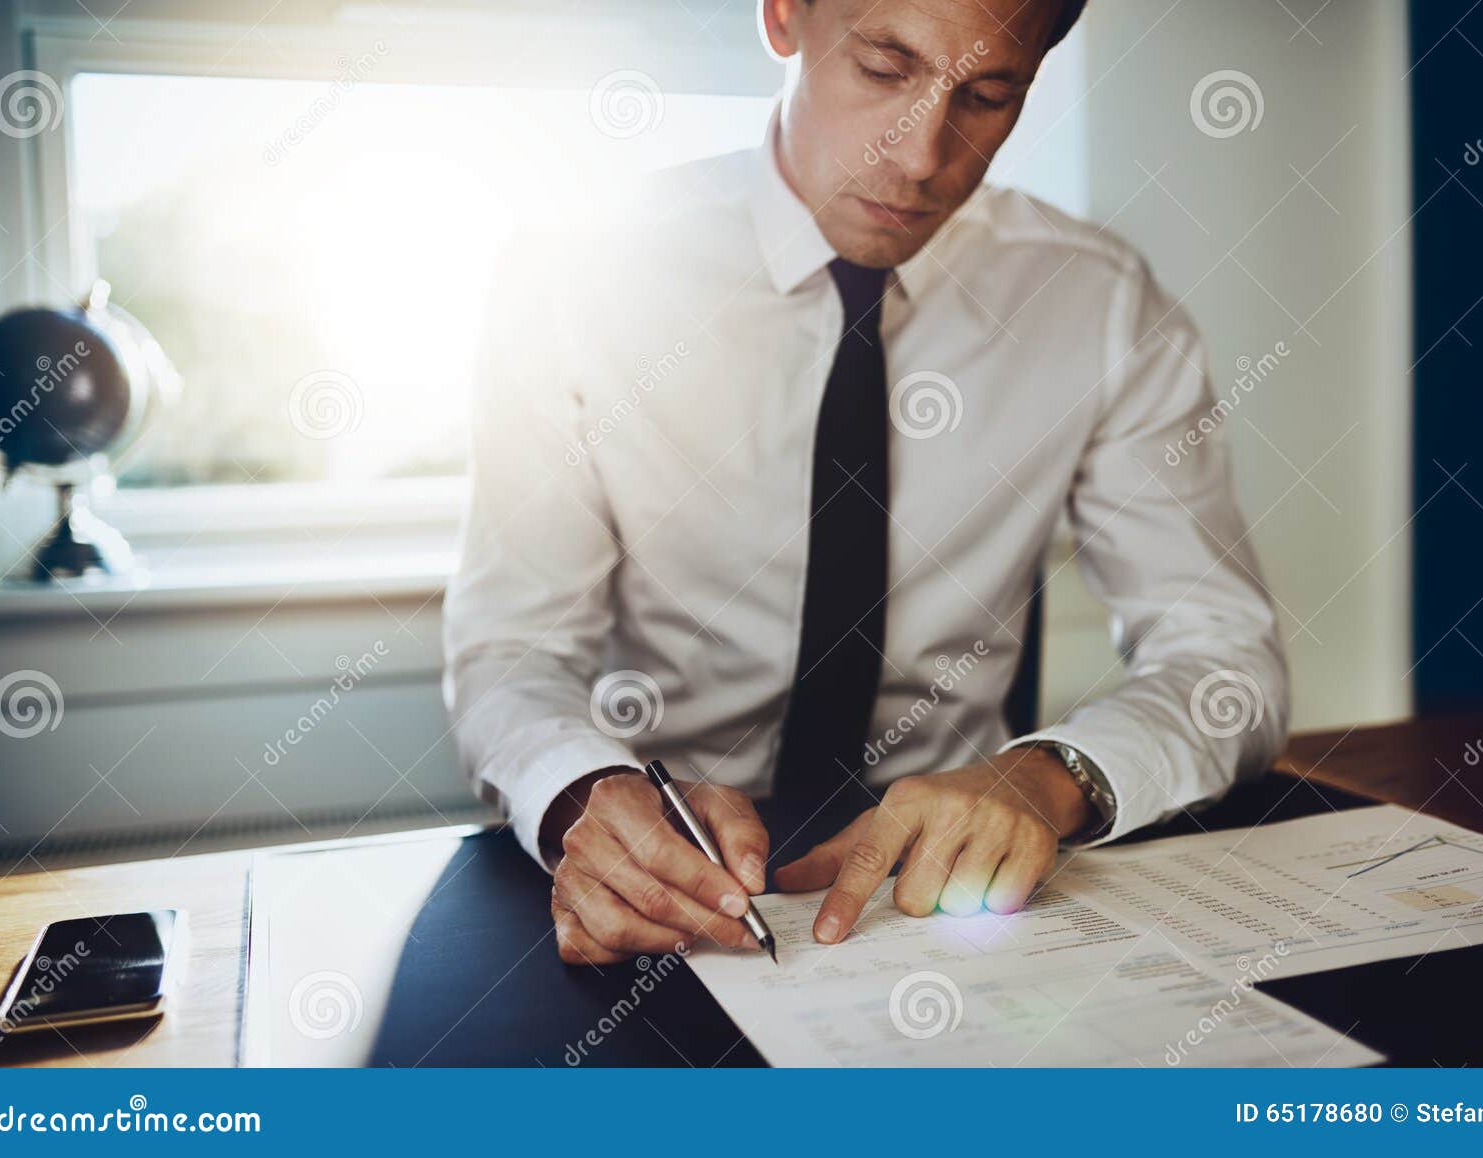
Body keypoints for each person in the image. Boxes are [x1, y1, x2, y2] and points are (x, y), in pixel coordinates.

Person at [444, 0, 1288, 965]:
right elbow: (512, 649)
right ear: (784, 15)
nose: (923, 157)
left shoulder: (1096, 304)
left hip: (950, 899)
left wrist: (1045, 781)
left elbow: (1226, 661)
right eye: (885, 68)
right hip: (676, 876)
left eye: (988, 94)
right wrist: (581, 791)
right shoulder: (574, 277)